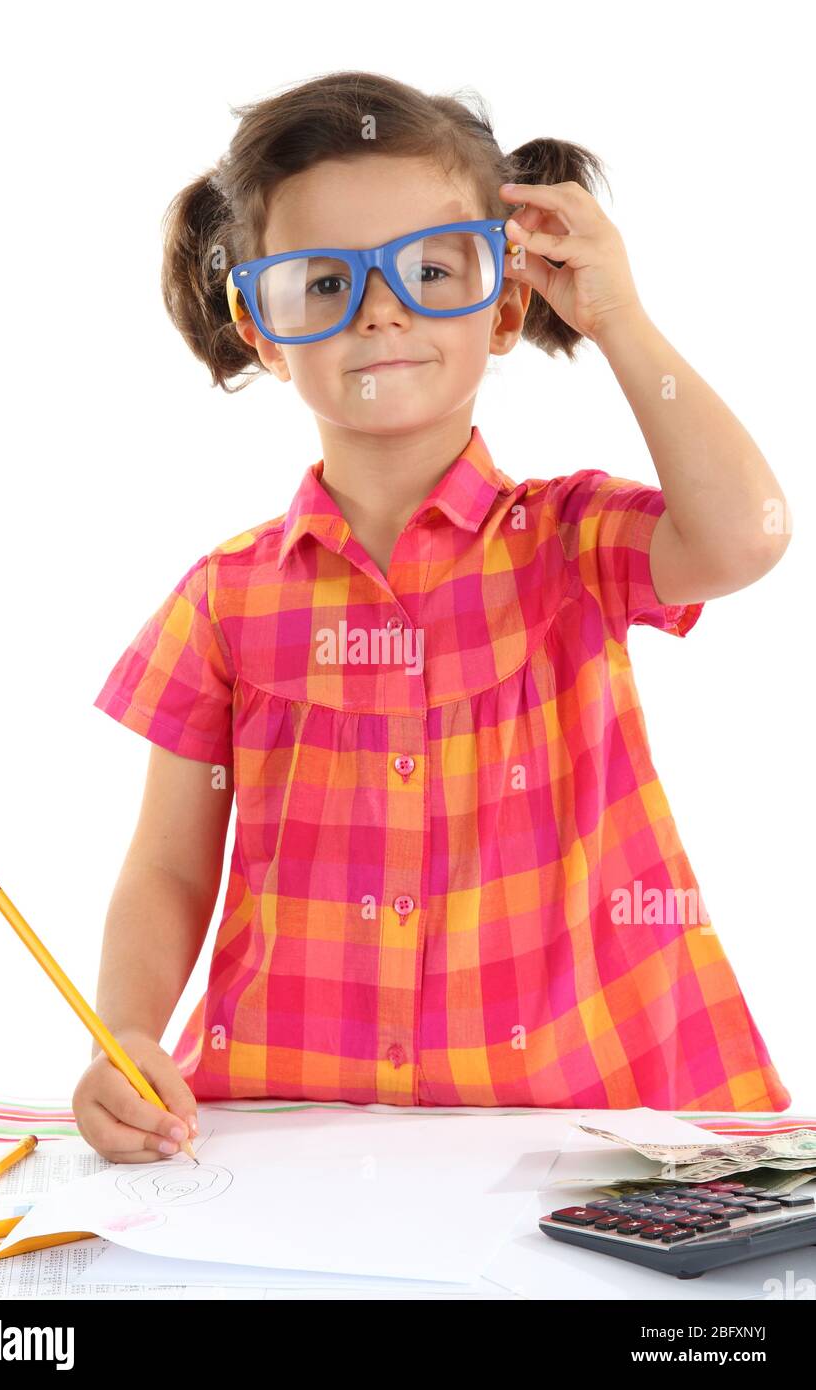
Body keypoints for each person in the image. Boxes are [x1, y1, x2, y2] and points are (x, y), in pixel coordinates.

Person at [72, 70, 792, 1163]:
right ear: (261, 328)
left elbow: (747, 533)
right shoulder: (223, 598)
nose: (379, 308)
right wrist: (123, 1030)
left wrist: (619, 322)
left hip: (581, 1130)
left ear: (503, 304)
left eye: (427, 270)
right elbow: (168, 867)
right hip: (296, 1137)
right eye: (321, 282)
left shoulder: (571, 542)